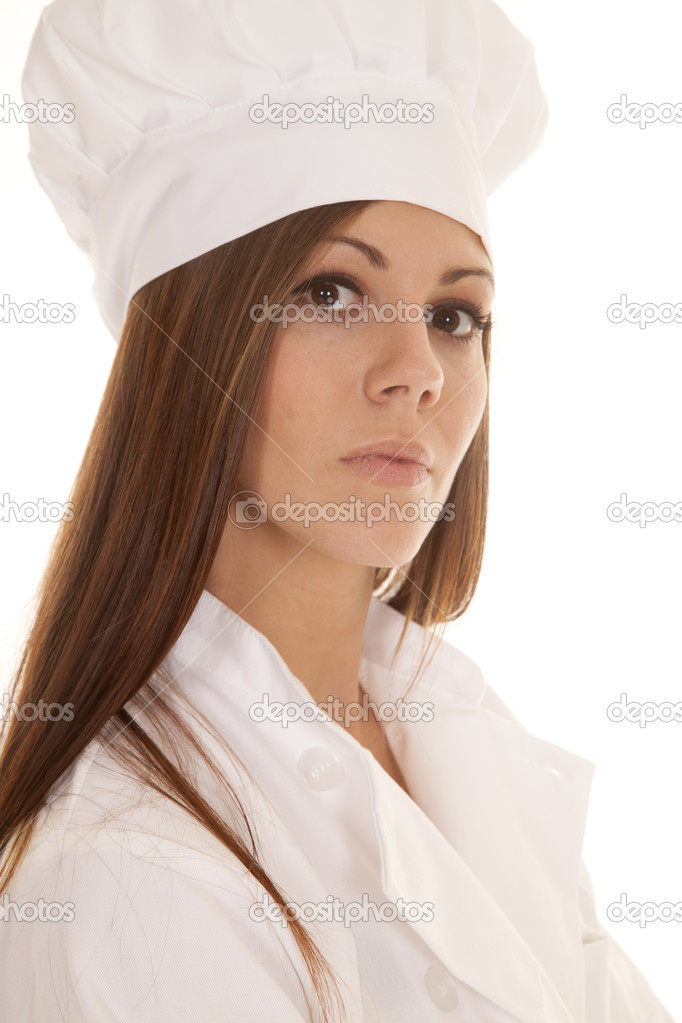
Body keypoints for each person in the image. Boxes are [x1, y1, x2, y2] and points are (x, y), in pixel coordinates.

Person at [0, 0, 675, 1020]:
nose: (418, 371)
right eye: (331, 294)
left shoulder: (457, 733)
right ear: (188, 344)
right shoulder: (128, 873)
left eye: (454, 315)